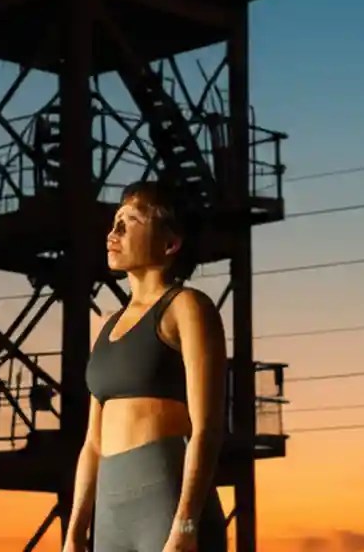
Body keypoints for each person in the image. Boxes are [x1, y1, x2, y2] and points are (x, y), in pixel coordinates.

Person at [63, 180, 228, 552]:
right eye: (114, 220)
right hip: (110, 515)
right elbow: (92, 443)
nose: (113, 231)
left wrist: (186, 524)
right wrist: (75, 532)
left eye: (130, 221)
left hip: (166, 504)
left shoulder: (187, 307)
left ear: (170, 243)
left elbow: (207, 428)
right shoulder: (106, 325)